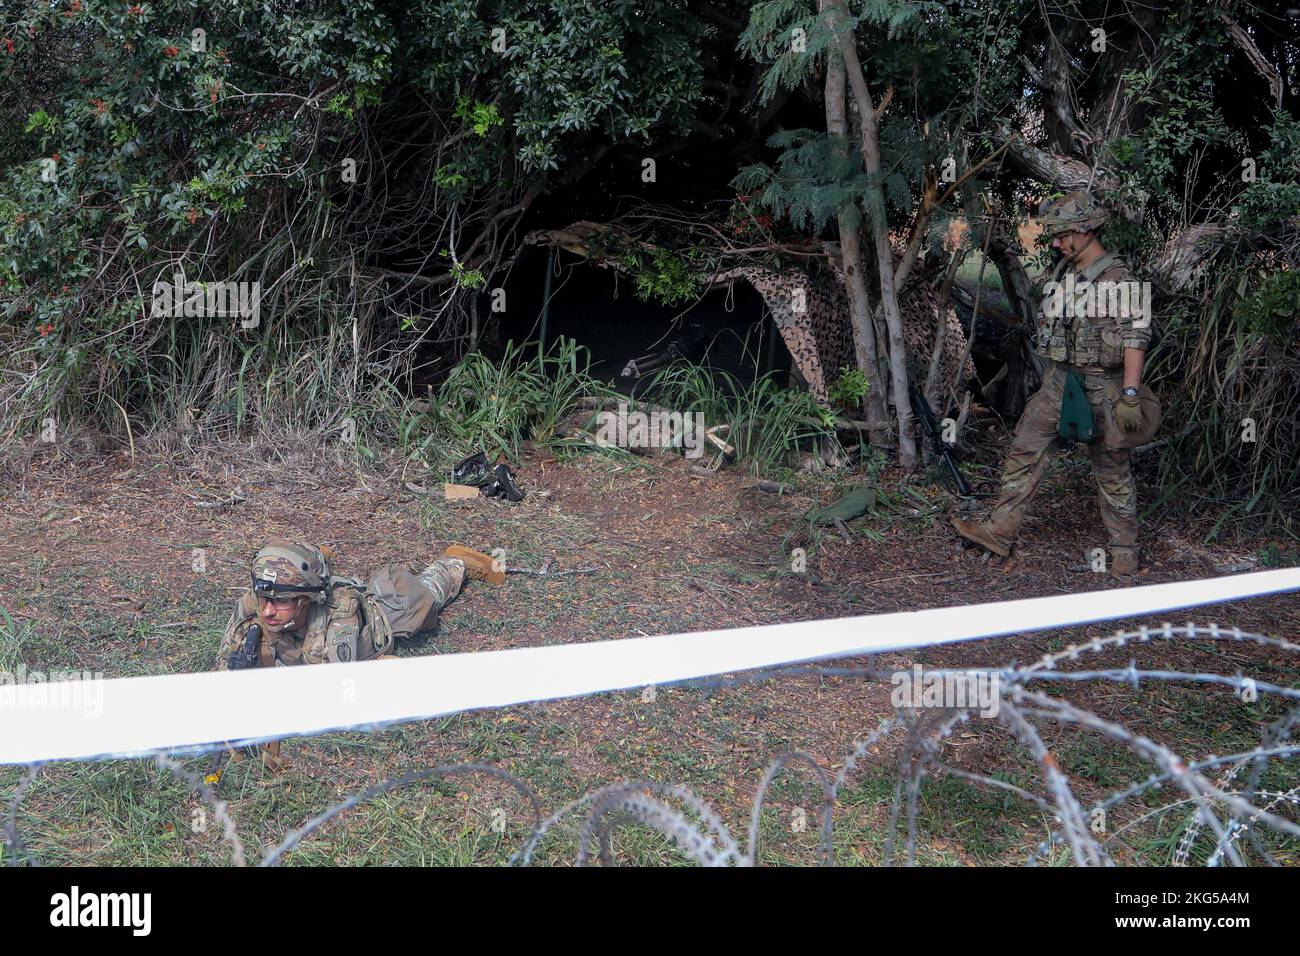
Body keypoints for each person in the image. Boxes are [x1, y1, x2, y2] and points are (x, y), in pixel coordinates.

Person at [951, 190, 1158, 574]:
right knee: (1024, 451)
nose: (1056, 243)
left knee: (1112, 471)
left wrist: (1130, 393)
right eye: (1055, 236)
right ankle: (998, 532)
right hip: (1061, 382)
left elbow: (1135, 338)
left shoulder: (1118, 277)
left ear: (1086, 230)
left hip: (1105, 386)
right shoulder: (1066, 271)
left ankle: (1125, 555)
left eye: (1063, 235)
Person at [217, 541, 486, 669]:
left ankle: (455, 562)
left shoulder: (339, 615)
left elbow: (337, 687)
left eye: (280, 602)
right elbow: (223, 663)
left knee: (423, 597)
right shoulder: (252, 606)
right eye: (265, 599)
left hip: (386, 616)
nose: (267, 611)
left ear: (306, 599)